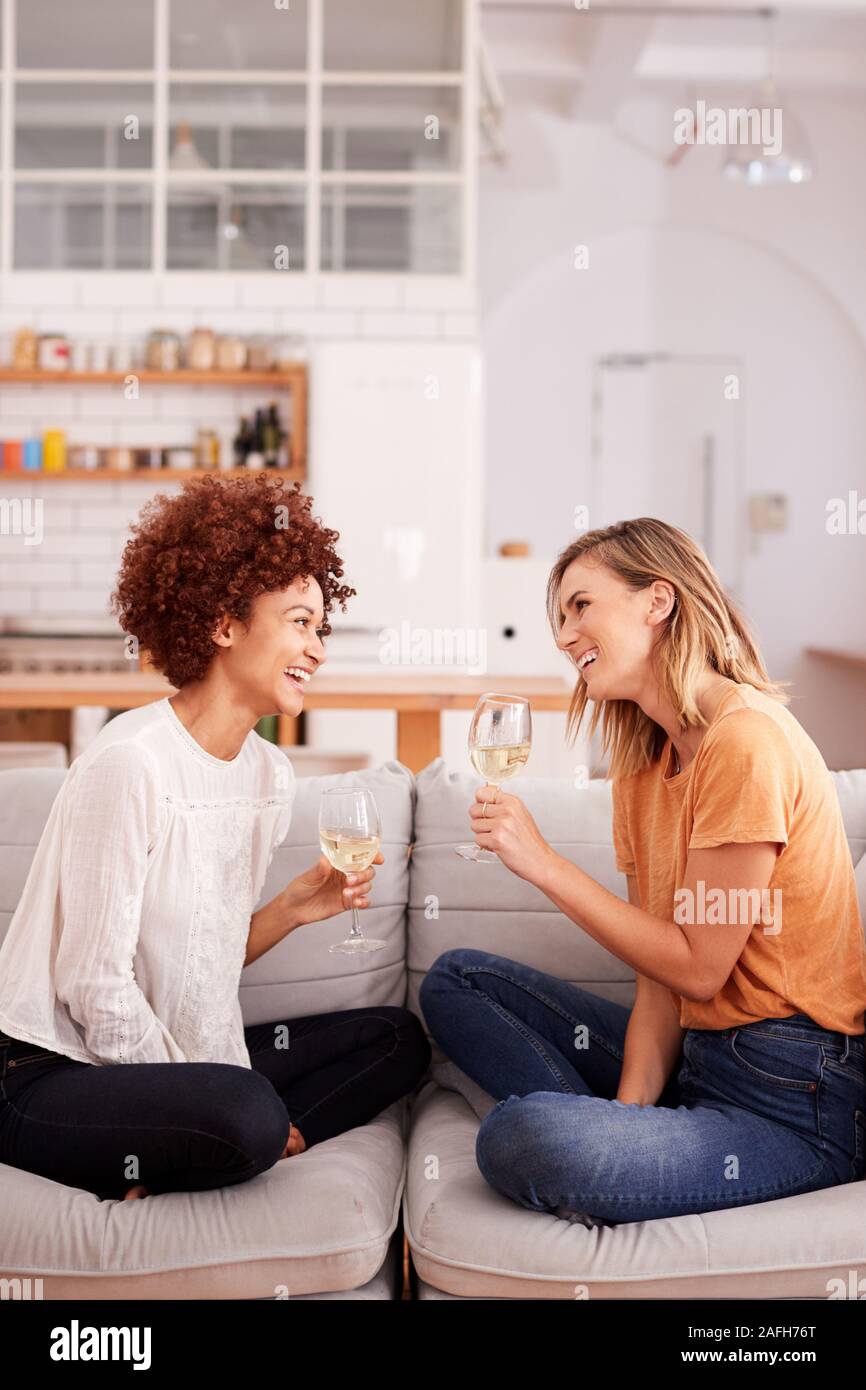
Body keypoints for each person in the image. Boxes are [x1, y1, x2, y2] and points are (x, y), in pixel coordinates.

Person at [420, 517, 866, 1225]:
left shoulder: (746, 742)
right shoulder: (643, 765)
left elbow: (696, 968)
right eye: (560, 617)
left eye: (580, 606)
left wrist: (543, 866)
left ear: (657, 601)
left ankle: (599, 1140)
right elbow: (658, 978)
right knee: (455, 981)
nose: (564, 636)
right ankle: (622, 1139)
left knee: (519, 1137)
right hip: (699, 1058)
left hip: (794, 1095)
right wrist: (629, 1117)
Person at [0, 474, 430, 1201]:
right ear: (224, 624)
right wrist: (198, 1092)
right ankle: (226, 1139)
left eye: (321, 627)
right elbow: (93, 987)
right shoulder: (129, 763)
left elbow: (201, 965)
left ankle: (225, 1142)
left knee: (398, 1038)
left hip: (181, 1060)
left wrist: (292, 910)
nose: (317, 649)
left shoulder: (269, 774)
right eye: (299, 621)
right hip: (49, 1071)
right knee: (246, 1112)